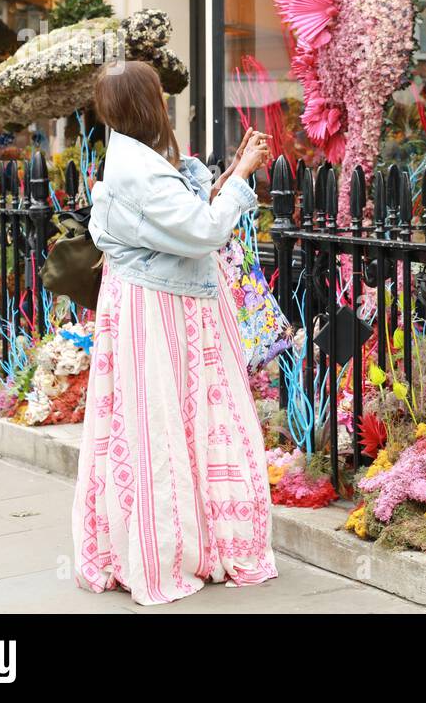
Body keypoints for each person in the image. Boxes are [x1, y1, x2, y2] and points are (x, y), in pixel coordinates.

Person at [72, 59, 277, 605]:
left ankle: (178, 542)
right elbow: (203, 230)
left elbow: (182, 220)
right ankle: (168, 551)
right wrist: (243, 178)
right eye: (160, 96)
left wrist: (230, 176)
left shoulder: (130, 157)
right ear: (149, 104)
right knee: (163, 424)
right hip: (159, 312)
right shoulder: (138, 169)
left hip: (156, 304)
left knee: (160, 423)